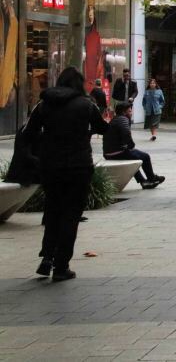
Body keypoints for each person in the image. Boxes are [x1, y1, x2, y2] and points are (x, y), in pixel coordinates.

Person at [23, 67, 109, 281]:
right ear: (79, 84)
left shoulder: (43, 105)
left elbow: (27, 133)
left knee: (52, 211)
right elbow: (103, 128)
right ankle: (61, 265)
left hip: (51, 167)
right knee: (71, 215)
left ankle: (47, 258)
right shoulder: (86, 105)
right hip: (78, 167)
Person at [103, 102, 165, 189]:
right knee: (145, 156)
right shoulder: (123, 119)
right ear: (124, 112)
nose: (131, 113)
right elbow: (126, 132)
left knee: (133, 158)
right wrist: (131, 145)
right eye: (130, 111)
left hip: (109, 153)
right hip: (116, 152)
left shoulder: (116, 119)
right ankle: (152, 178)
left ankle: (143, 181)